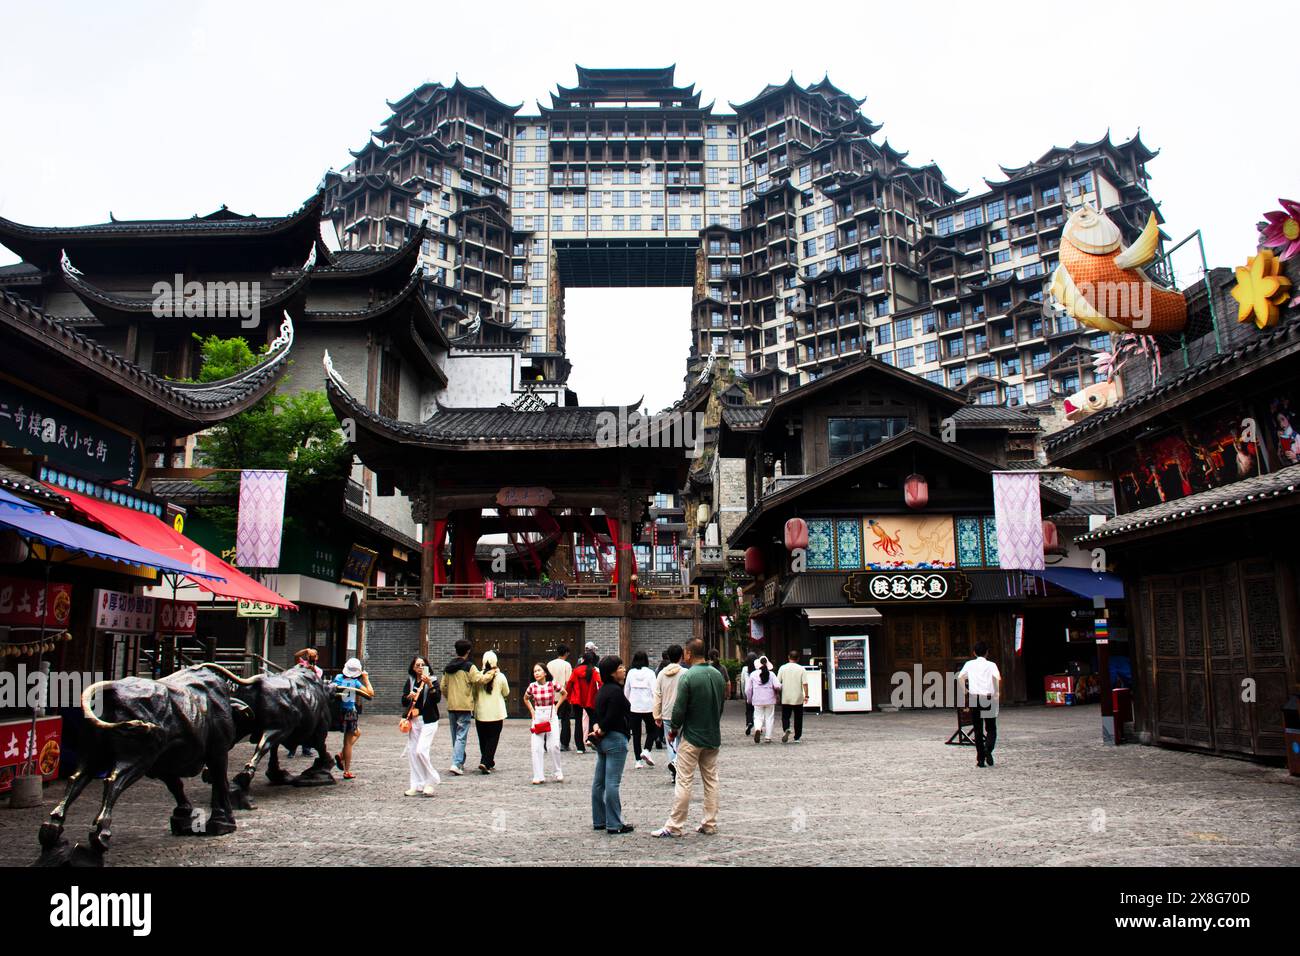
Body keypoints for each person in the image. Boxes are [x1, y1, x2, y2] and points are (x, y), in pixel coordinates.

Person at [651, 638, 726, 839]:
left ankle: (675, 825)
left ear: (689, 653)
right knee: (711, 780)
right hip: (712, 735)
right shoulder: (717, 675)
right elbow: (720, 706)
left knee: (684, 780)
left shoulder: (688, 677)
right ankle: (709, 822)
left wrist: (674, 730)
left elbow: (679, 709)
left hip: (692, 736)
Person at [590, 655, 634, 835]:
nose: (624, 669)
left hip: (603, 742)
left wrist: (597, 729)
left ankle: (599, 820)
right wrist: (602, 729)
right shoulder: (615, 691)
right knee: (612, 783)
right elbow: (612, 716)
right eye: (621, 667)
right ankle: (614, 823)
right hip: (615, 739)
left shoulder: (602, 690)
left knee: (599, 782)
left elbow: (597, 714)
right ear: (612, 673)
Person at [440, 638, 488, 776]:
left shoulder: (448, 667)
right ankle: (456, 763)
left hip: (452, 705)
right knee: (461, 736)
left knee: (455, 735)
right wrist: (492, 672)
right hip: (465, 706)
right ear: (468, 651)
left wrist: (450, 697)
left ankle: (460, 760)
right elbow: (480, 679)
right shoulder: (469, 666)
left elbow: (443, 686)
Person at [958, 641, 1001, 768]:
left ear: (974, 653)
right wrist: (997, 693)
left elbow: (960, 677)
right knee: (991, 728)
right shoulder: (991, 665)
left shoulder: (969, 664)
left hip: (974, 698)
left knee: (978, 729)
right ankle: (988, 749)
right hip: (988, 697)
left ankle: (980, 759)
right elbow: (997, 679)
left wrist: (965, 690)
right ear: (987, 652)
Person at [402, 656, 441, 796]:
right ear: (413, 667)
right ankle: (416, 784)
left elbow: (437, 698)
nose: (419, 667)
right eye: (417, 665)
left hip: (429, 720)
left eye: (422, 665)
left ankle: (431, 781)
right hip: (414, 720)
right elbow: (403, 701)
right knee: (413, 753)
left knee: (421, 751)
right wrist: (409, 697)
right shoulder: (411, 681)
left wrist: (429, 685)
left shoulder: (433, 681)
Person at [332, 658, 374, 780]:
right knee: (348, 742)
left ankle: (341, 755)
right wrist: (366, 678)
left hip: (340, 711)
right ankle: (346, 770)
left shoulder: (339, 678)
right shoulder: (355, 683)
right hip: (350, 712)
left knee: (357, 733)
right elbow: (371, 693)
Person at [525, 662, 565, 784]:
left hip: (551, 715)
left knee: (554, 746)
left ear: (545, 672)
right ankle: (538, 775)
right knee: (536, 747)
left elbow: (564, 693)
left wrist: (557, 706)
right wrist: (532, 711)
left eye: (539, 670)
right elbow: (525, 698)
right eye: (534, 671)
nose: (536, 673)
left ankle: (558, 771)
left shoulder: (552, 684)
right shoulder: (532, 686)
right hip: (538, 716)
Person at [653, 643, 685, 782]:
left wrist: (657, 714)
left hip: (666, 713)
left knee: (670, 742)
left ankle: (674, 771)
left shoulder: (661, 674)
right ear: (681, 656)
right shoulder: (685, 673)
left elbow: (657, 695)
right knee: (683, 742)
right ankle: (677, 764)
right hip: (682, 713)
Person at [473, 650, 509, 774]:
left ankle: (488, 760)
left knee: (483, 738)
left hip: (480, 712)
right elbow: (506, 692)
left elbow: (473, 694)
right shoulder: (501, 676)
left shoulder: (478, 677)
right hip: (496, 713)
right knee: (493, 739)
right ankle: (486, 762)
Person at [624, 651, 658, 769]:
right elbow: (655, 691)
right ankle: (647, 749)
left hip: (634, 706)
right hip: (648, 706)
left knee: (636, 734)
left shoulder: (630, 673)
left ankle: (638, 761)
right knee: (653, 730)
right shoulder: (650, 673)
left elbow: (626, 689)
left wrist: (626, 704)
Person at [565, 650, 602, 755]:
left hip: (577, 699)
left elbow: (570, 684)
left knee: (578, 722)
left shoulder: (576, 671)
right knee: (594, 719)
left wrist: (568, 696)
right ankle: (591, 739)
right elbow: (600, 682)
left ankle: (580, 747)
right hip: (590, 699)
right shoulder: (594, 671)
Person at [744, 655, 781, 744]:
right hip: (770, 699)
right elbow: (777, 686)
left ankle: (757, 729)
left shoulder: (753, 674)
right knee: (769, 717)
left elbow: (748, 689)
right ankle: (768, 737)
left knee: (758, 717)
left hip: (757, 699)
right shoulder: (771, 674)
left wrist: (749, 699)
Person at [777, 650, 809, 743]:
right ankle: (797, 737)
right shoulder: (801, 669)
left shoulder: (782, 668)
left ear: (788, 657)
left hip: (786, 697)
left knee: (785, 716)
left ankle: (786, 728)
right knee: (798, 718)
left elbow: (778, 683)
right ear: (798, 658)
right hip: (798, 697)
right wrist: (806, 696)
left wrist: (777, 694)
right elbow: (805, 684)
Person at [546, 644, 574, 751]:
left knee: (550, 720)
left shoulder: (549, 664)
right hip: (563, 696)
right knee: (565, 720)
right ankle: (564, 744)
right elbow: (568, 682)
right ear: (566, 653)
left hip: (551, 696)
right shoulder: (567, 665)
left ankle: (548, 743)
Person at [740, 652, 758, 735]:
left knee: (749, 710)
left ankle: (749, 723)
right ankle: (759, 727)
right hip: (758, 692)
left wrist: (744, 693)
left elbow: (742, 682)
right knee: (758, 710)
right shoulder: (759, 669)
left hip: (748, 692)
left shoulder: (744, 669)